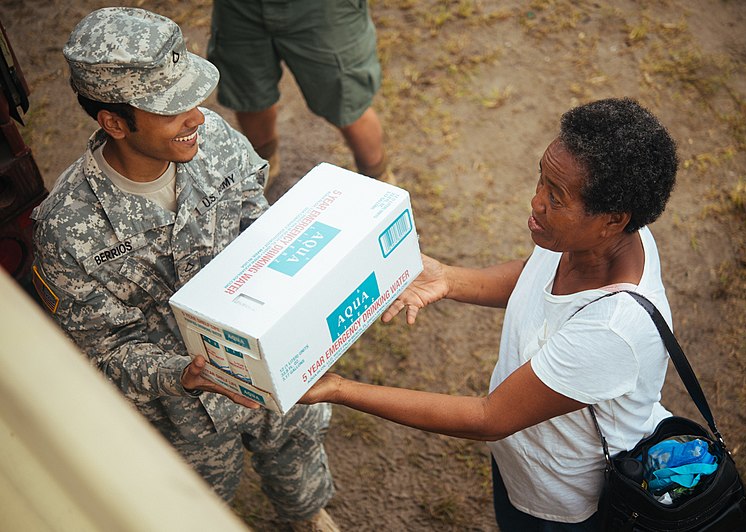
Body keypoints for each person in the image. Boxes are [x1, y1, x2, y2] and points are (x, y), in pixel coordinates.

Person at [301, 98, 679, 529]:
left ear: (613, 220)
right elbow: (537, 277)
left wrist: (340, 389)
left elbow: (489, 418)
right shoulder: (602, 240)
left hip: (561, 500)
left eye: (555, 198)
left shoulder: (612, 331)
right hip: (523, 460)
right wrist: (449, 279)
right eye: (541, 179)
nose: (536, 202)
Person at [31, 8, 338, 531]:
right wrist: (181, 374)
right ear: (114, 122)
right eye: (172, 109)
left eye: (192, 97)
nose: (197, 117)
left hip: (272, 357)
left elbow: (256, 216)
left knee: (297, 448)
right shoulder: (66, 230)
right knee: (192, 507)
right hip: (182, 414)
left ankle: (306, 514)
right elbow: (102, 353)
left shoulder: (212, 138)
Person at [206, 0, 388, 188]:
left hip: (321, 9)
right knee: (249, 97)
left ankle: (379, 182)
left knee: (348, 103)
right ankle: (264, 168)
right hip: (240, 8)